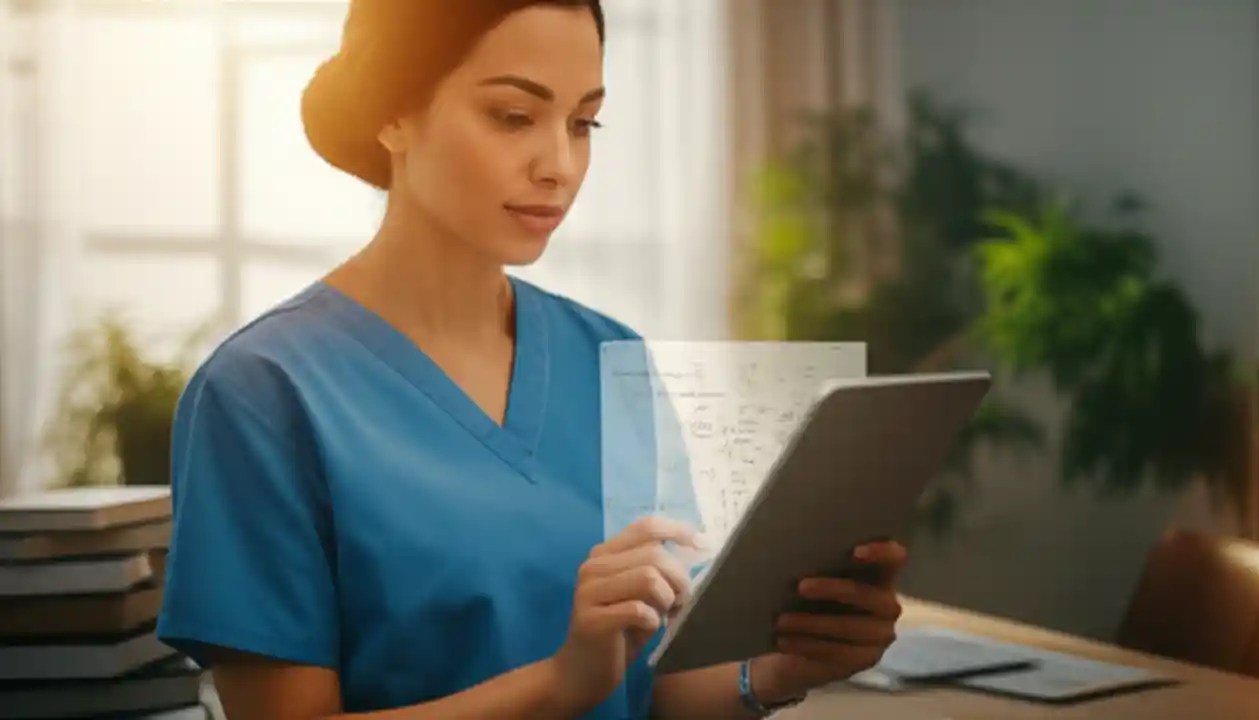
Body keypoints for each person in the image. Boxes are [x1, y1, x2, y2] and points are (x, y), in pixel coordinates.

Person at [156, 1, 908, 718]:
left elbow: (662, 690)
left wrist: (776, 673)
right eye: (514, 116)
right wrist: (557, 687)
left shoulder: (614, 357)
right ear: (393, 113)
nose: (560, 165)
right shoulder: (261, 394)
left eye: (584, 122)